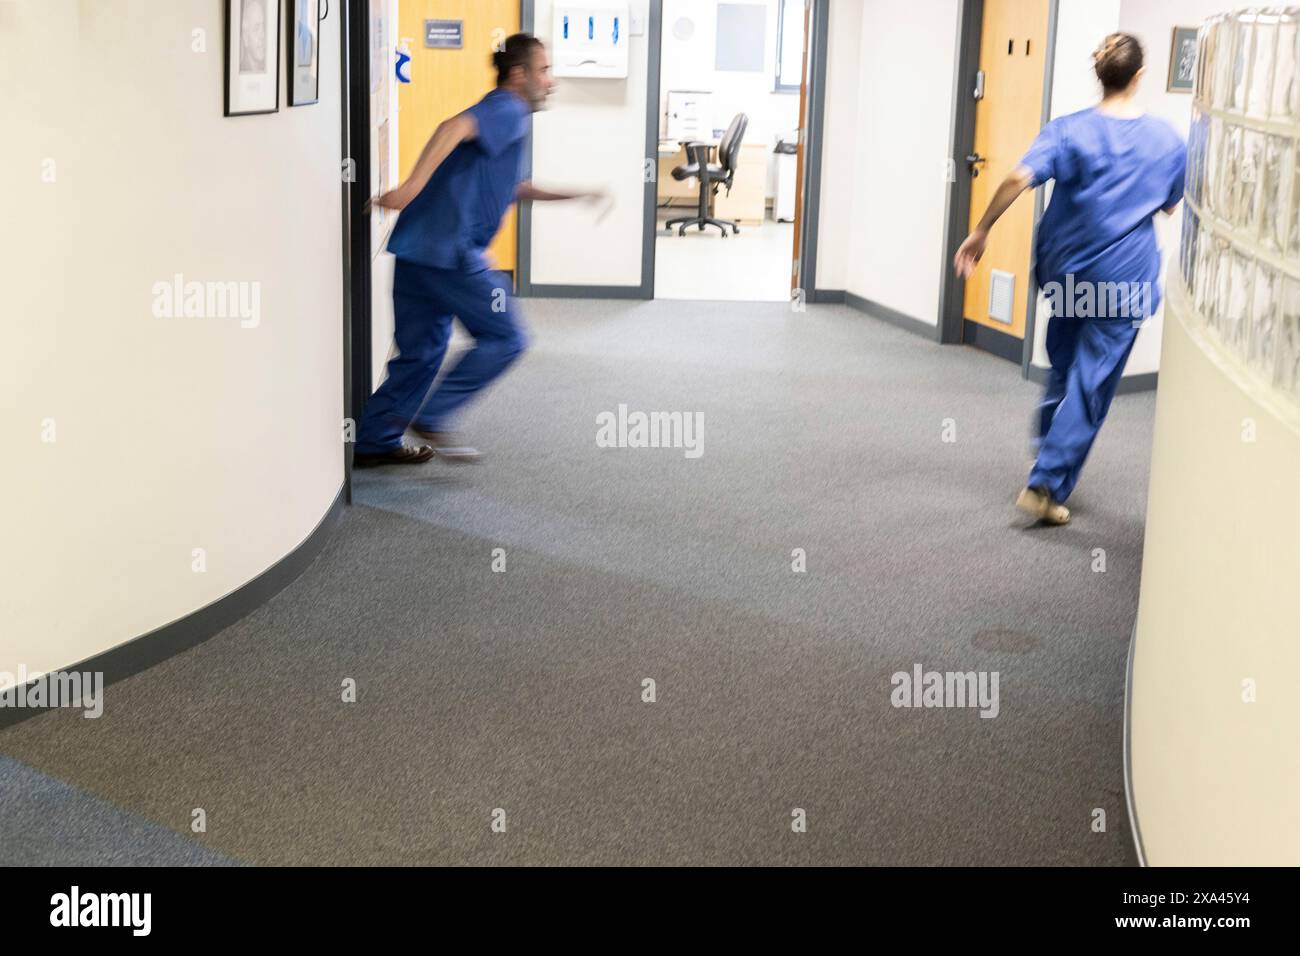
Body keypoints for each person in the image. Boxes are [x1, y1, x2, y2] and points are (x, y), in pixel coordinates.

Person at [954, 33, 1186, 525]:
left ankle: (1045, 449)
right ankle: (1045, 483)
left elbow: (1019, 177)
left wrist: (981, 230)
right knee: (1091, 384)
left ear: (1099, 74)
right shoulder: (1167, 141)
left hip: (1068, 276)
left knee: (1064, 366)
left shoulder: (1067, 130)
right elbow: (1168, 205)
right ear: (1138, 77)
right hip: (1123, 283)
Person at [354, 33, 605, 467]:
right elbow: (453, 126)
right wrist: (409, 189)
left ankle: (375, 440)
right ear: (519, 74)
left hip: (418, 248)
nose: (551, 81)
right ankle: (431, 416)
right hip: (452, 252)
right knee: (507, 336)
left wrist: (571, 195)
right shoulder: (508, 108)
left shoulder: (511, 118)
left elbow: (514, 186)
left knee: (421, 353)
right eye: (544, 71)